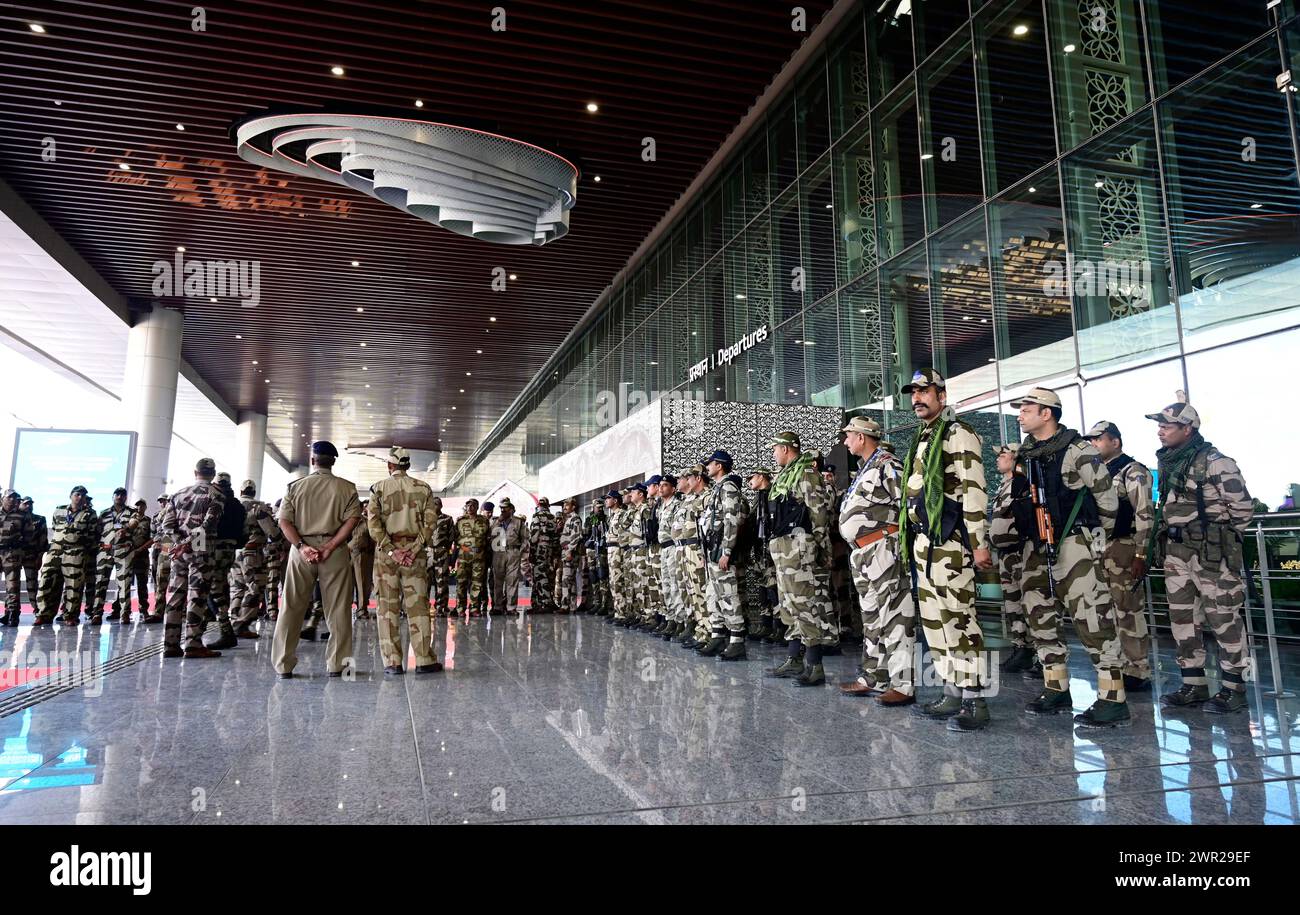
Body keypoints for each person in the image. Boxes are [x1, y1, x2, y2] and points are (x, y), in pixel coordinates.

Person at [1013, 387, 1129, 728]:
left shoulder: (1078, 450)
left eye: (1027, 408)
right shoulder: (1027, 453)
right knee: (1039, 614)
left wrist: (1093, 540)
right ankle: (1056, 688)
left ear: (1046, 413)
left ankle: (1113, 698)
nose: (1020, 414)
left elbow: (1107, 499)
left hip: (1075, 542)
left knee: (1092, 616)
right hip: (1036, 544)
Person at [898, 369, 993, 732]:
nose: (917, 398)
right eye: (913, 393)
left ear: (941, 395)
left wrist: (978, 543)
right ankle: (952, 691)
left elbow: (973, 489)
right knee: (935, 624)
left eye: (924, 391)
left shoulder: (957, 433)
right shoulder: (924, 437)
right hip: (925, 543)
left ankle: (974, 699)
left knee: (958, 619)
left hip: (951, 542)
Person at [1147, 402, 1254, 714]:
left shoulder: (1217, 462)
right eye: (1160, 425)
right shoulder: (1169, 462)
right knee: (1183, 620)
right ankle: (1193, 684)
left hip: (1211, 555)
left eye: (1167, 426)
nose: (1160, 431)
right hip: (1176, 553)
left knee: (1224, 619)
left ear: (1187, 429)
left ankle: (1234, 688)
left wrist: (1219, 539)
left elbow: (1242, 509)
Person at [836, 417, 914, 706]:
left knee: (895, 614)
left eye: (849, 436)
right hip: (862, 552)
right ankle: (874, 677)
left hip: (882, 547)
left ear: (861, 437)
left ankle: (903, 685)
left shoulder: (887, 464)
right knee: (871, 616)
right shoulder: (865, 468)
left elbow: (907, 505)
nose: (845, 441)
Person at [272, 441, 362, 678]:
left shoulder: (295, 487)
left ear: (313, 461)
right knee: (339, 609)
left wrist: (302, 547)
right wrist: (330, 545)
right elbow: (352, 521)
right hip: (335, 551)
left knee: (291, 606)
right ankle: (339, 665)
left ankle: (283, 665)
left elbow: (284, 522)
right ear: (333, 462)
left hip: (301, 551)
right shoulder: (347, 488)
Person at [1084, 421, 1155, 692]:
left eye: (1098, 439)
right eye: (1091, 440)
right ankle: (1117, 666)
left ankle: (1137, 669)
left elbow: (1144, 513)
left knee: (1128, 609)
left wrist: (1141, 553)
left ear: (1115, 442)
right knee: (1104, 610)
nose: (1093, 444)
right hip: (1100, 547)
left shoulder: (1132, 470)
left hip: (1123, 546)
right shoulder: (1097, 475)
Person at [765, 432, 833, 684]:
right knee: (788, 605)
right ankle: (795, 658)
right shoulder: (785, 475)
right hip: (783, 546)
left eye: (775, 449)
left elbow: (818, 512)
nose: (774, 454)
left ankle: (814, 664)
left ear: (785, 449)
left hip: (799, 546)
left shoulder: (806, 473)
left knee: (803, 604)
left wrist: (821, 546)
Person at [368, 446, 440, 677]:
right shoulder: (424, 488)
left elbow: (373, 526)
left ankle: (393, 662)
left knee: (387, 608)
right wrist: (414, 548)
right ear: (407, 465)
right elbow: (430, 524)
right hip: (414, 556)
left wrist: (392, 551)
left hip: (386, 557)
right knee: (418, 607)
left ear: (390, 465)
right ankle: (424, 660)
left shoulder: (378, 488)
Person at [161, 459, 226, 658]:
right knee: (197, 597)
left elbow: (167, 525)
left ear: (195, 472)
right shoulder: (216, 495)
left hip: (179, 552)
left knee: (175, 596)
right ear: (212, 474)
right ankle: (193, 644)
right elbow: (208, 524)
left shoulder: (178, 494)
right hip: (201, 551)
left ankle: (170, 644)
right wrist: (189, 542)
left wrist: (179, 543)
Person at [990, 444, 1036, 673]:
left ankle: (1039, 652)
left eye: (1002, 455)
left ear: (1016, 458)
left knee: (1031, 603)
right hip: (1005, 554)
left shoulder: (1024, 483)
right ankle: (1021, 648)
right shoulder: (1003, 486)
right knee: (1012, 604)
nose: (998, 459)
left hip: (1022, 551)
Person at [698, 450, 748, 660]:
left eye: (710, 463)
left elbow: (731, 520)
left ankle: (736, 640)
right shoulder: (718, 488)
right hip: (713, 549)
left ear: (719, 466)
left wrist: (727, 551)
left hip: (721, 549)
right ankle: (717, 635)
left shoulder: (728, 487)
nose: (707, 467)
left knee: (728, 595)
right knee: (713, 595)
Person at [34, 486, 98, 627]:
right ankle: (43, 614)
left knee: (74, 586)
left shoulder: (90, 514)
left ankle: (70, 615)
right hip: (55, 551)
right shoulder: (59, 510)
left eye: (83, 495)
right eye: (77, 494)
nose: (80, 497)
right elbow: (55, 526)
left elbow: (92, 535)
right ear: (70, 495)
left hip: (75, 552)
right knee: (47, 582)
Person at [231, 480, 276, 637]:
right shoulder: (258, 507)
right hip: (252, 553)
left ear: (241, 491)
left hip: (235, 553)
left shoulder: (233, 505)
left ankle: (234, 620)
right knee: (255, 587)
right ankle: (242, 624)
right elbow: (272, 532)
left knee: (238, 588)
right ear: (254, 492)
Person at [207, 472, 246, 649]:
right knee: (219, 586)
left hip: (214, 548)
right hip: (229, 550)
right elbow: (243, 533)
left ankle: (226, 631)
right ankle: (210, 625)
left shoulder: (215, 501)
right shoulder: (237, 505)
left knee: (214, 589)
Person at [744, 469, 778, 641]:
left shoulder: (773, 493)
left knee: (773, 587)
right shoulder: (759, 497)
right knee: (763, 587)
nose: (749, 481)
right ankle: (766, 624)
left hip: (770, 549)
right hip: (759, 548)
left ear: (762, 477)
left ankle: (779, 626)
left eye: (752, 477)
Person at [91, 487, 133, 622]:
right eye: (117, 494)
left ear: (126, 497)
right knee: (100, 582)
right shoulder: (104, 513)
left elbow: (135, 527)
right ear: (113, 496)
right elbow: (97, 532)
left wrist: (126, 530)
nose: (119, 497)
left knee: (124, 584)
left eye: (122, 495)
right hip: (105, 551)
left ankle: (124, 613)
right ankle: (97, 613)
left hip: (123, 551)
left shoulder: (132, 512)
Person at [112, 499, 153, 623]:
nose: (139, 507)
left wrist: (140, 549)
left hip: (142, 556)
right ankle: (119, 610)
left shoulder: (149, 521)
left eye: (142, 505)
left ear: (145, 507)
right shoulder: (126, 520)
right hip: (126, 555)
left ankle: (144, 610)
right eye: (137, 505)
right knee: (123, 584)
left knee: (142, 584)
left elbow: (152, 539)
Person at [0, 490, 35, 627]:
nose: (12, 500)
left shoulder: (22, 515)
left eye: (15, 498)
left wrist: (19, 548)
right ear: (3, 499)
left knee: (12, 586)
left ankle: (13, 615)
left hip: (12, 553)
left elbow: (29, 534)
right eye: (9, 497)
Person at [453, 499, 489, 615]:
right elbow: (455, 537)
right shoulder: (460, 521)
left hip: (479, 556)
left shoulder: (484, 520)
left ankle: (474, 608)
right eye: (468, 505)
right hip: (464, 555)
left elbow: (487, 537)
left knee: (477, 583)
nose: (470, 507)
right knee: (461, 582)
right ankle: (460, 608)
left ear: (477, 507)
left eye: (473, 505)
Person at [490, 497, 525, 614]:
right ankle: (498, 606)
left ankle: (511, 607)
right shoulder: (494, 521)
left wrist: (521, 554)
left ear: (510, 509)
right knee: (498, 581)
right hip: (498, 552)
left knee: (512, 580)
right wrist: (498, 522)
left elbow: (525, 539)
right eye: (501, 508)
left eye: (505, 508)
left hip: (513, 552)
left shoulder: (518, 522)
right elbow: (488, 535)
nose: (503, 510)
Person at [525, 497, 560, 613]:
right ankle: (537, 603)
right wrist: (555, 553)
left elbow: (534, 535)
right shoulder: (553, 517)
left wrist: (531, 551)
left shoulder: (537, 516)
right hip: (549, 549)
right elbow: (556, 536)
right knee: (545, 573)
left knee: (539, 574)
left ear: (539, 506)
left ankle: (545, 602)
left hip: (539, 549)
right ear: (548, 505)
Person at [603, 490, 628, 624]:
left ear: (615, 500)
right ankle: (617, 610)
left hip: (618, 549)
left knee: (618, 580)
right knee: (613, 581)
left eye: (609, 498)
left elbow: (623, 533)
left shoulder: (622, 514)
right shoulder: (611, 516)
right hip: (610, 549)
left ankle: (622, 613)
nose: (606, 501)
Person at [18, 496, 46, 619]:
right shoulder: (14, 518)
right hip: (14, 556)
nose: (28, 506)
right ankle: (11, 612)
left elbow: (43, 540)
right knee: (12, 585)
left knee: (32, 585)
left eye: (30, 504)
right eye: (25, 504)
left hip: (31, 556)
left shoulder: (39, 520)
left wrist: (40, 557)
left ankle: (37, 609)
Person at [427, 497, 456, 616]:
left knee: (442, 581)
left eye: (437, 504)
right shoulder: (425, 518)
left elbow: (451, 536)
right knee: (426, 581)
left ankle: (441, 607)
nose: (435, 506)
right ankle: (424, 606)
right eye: (433, 504)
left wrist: (444, 549)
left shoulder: (447, 519)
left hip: (442, 553)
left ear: (441, 506)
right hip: (427, 553)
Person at [349, 499, 376, 620]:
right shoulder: (349, 521)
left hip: (364, 555)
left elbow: (370, 538)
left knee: (363, 583)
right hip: (350, 555)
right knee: (348, 584)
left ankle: (361, 609)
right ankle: (348, 608)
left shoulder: (367, 521)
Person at [557, 498, 585, 613]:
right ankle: (572, 606)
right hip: (567, 552)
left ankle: (565, 606)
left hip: (571, 553)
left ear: (573, 507)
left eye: (567, 505)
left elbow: (576, 536)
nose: (564, 507)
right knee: (571, 580)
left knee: (566, 579)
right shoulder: (569, 519)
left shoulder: (575, 518)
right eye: (563, 505)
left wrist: (569, 551)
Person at [583, 499, 610, 614]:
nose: (600, 509)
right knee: (593, 575)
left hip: (601, 549)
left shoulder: (606, 519)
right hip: (591, 549)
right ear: (593, 508)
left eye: (601, 507)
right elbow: (585, 534)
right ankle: (596, 602)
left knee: (602, 574)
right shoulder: (589, 519)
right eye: (597, 507)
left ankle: (604, 604)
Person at [147, 494, 172, 623]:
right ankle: (159, 611)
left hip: (168, 547)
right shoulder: (156, 516)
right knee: (157, 580)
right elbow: (152, 534)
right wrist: (155, 542)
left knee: (167, 579)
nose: (163, 503)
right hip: (157, 549)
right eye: (161, 501)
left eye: (165, 501)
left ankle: (177, 611)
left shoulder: (173, 513)